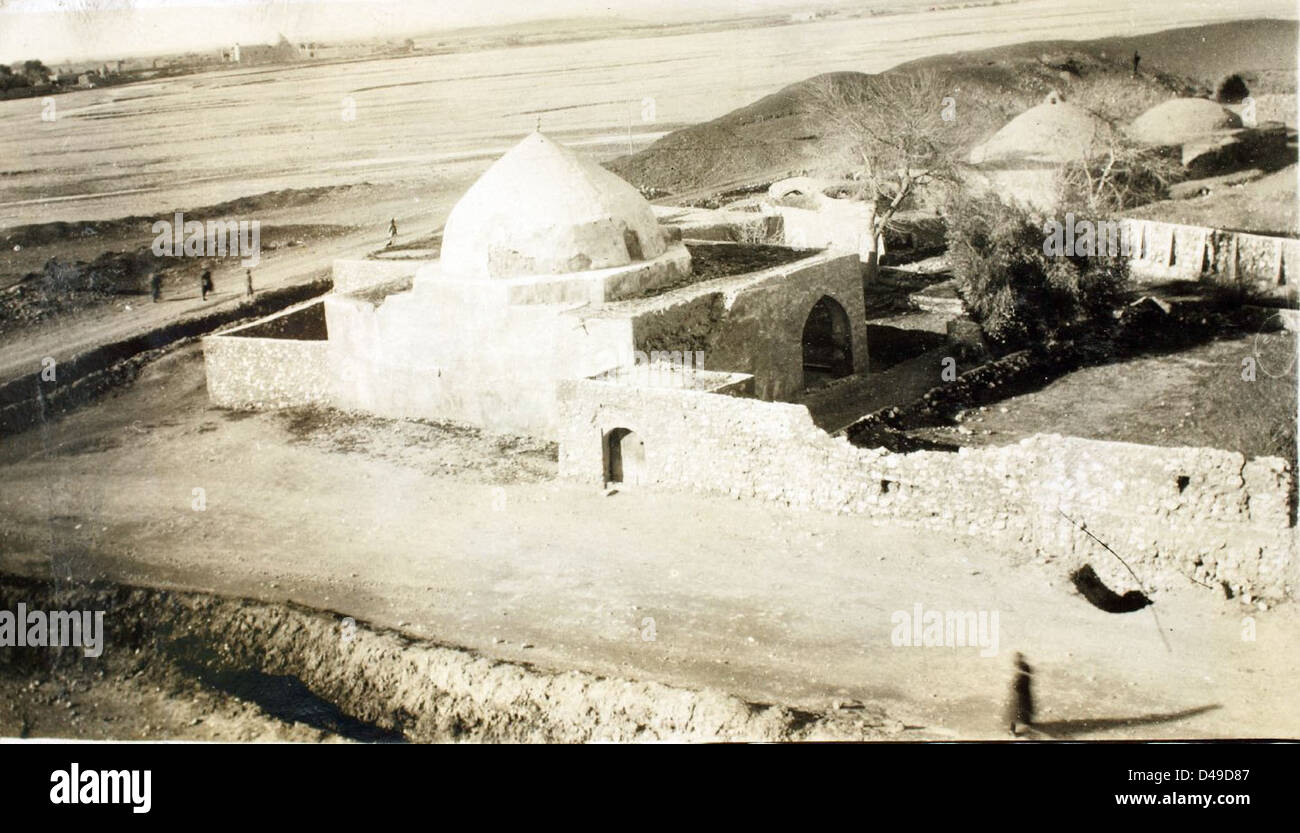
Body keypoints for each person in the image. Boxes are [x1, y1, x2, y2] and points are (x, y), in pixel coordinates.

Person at [1005, 653, 1035, 736]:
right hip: (1020, 693)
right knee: (1016, 711)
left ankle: (1024, 722)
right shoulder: (1023, 667)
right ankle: (1014, 728)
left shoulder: (1023, 668)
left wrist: (1014, 685)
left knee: (1017, 711)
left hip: (1021, 693)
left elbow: (1019, 681)